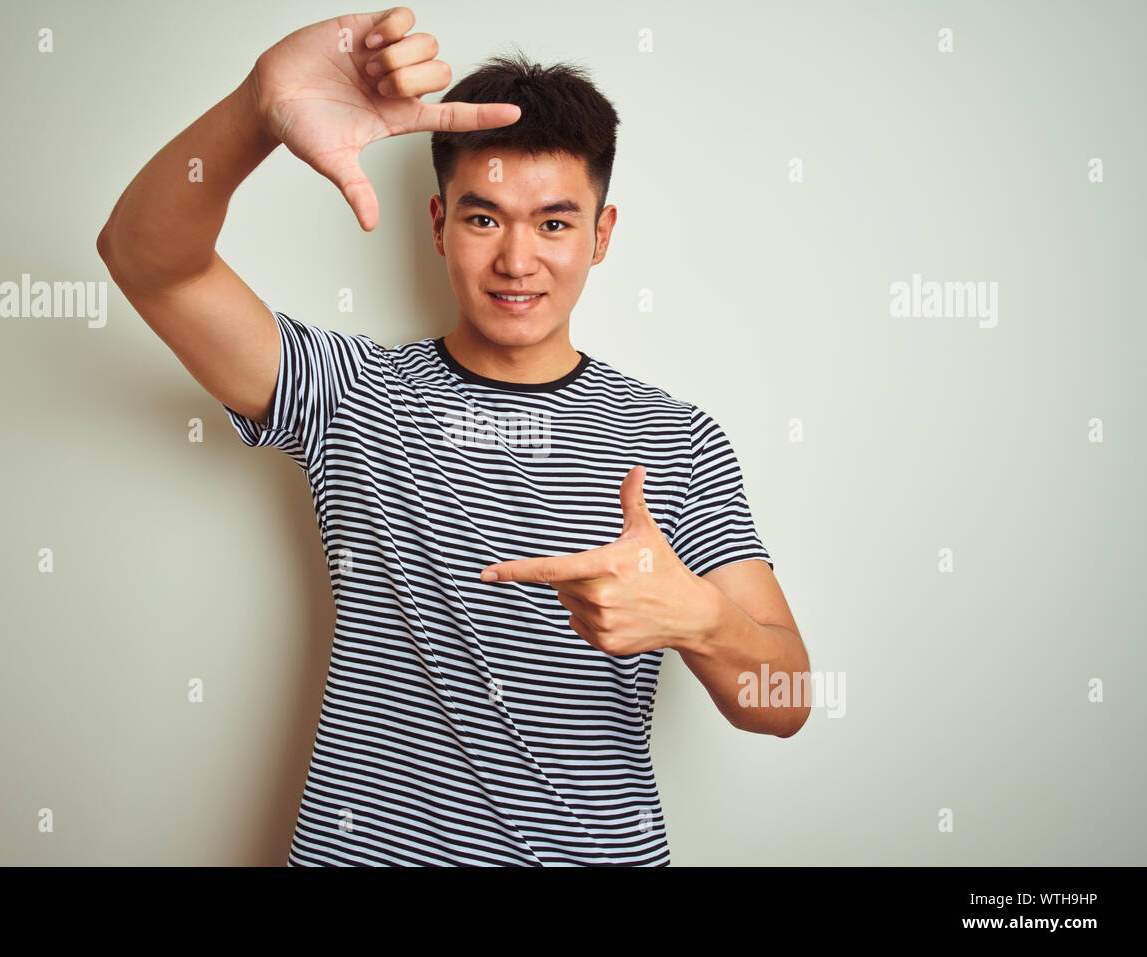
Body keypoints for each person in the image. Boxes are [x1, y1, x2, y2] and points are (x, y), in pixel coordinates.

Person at [98, 6, 809, 866]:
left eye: (554, 222)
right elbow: (146, 258)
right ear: (438, 223)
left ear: (601, 235)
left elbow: (786, 699)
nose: (518, 260)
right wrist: (257, 107)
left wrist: (700, 618)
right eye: (484, 218)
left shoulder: (676, 437)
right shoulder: (350, 391)